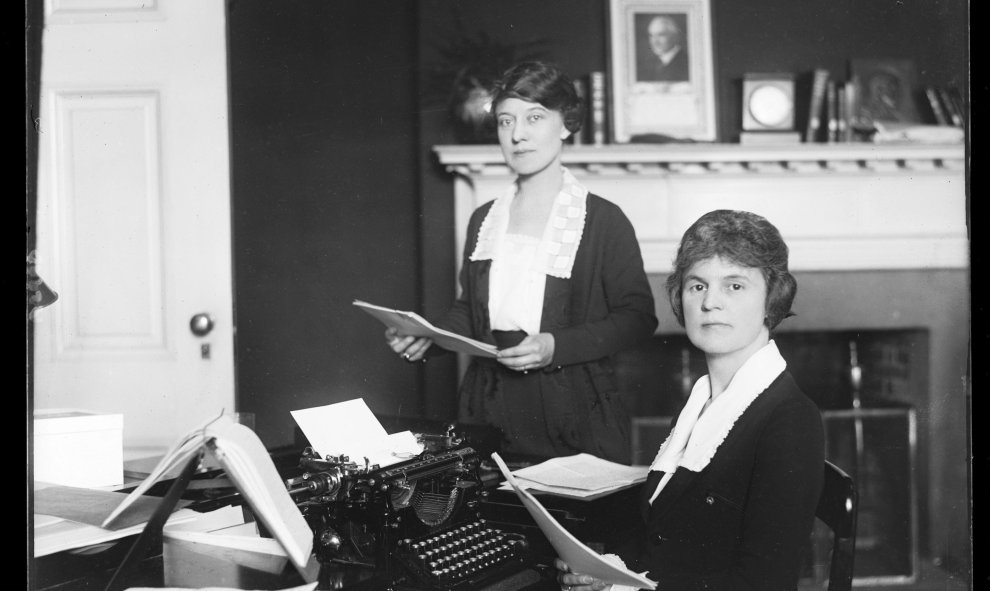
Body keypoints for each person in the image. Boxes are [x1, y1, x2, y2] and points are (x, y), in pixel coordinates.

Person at [386, 61, 658, 464]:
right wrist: (428, 335)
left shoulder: (602, 219)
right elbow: (472, 311)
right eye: (504, 121)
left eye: (534, 117)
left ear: (565, 124)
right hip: (486, 408)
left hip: (576, 414)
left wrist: (555, 345)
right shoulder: (485, 219)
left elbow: (638, 318)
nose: (517, 134)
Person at [555, 209, 825, 590]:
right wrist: (608, 571)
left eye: (734, 286)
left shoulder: (791, 419)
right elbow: (663, 532)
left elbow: (766, 582)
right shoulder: (701, 401)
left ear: (772, 299)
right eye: (697, 286)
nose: (710, 302)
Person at [637, 15, 689, 83]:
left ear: (675, 36)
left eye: (661, 35)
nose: (655, 42)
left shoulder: (687, 63)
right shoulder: (649, 64)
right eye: (652, 36)